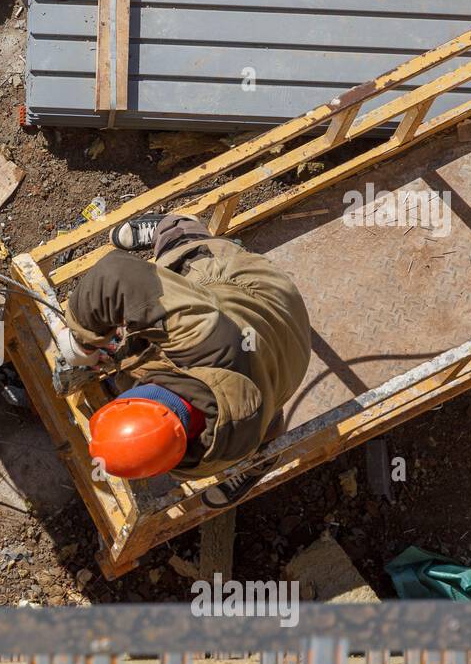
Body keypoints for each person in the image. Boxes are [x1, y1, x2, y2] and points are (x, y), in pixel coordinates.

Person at [60, 214, 312, 507]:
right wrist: (83, 342)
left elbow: (117, 277)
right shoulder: (202, 339)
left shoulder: (193, 461)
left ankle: (260, 457)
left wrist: (95, 350)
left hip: (283, 368)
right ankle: (176, 228)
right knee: (188, 258)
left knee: (259, 405)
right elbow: (116, 274)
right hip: (267, 296)